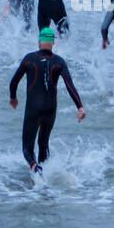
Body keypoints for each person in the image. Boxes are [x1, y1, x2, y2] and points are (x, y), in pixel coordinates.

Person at [9, 26, 86, 173]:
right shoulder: (59, 62)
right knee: (43, 144)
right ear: (53, 43)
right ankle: (45, 178)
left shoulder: (29, 59)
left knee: (27, 147)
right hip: (50, 109)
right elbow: (70, 85)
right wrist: (80, 107)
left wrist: (13, 97)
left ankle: (34, 167)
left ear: (39, 42)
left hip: (33, 108)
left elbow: (13, 82)